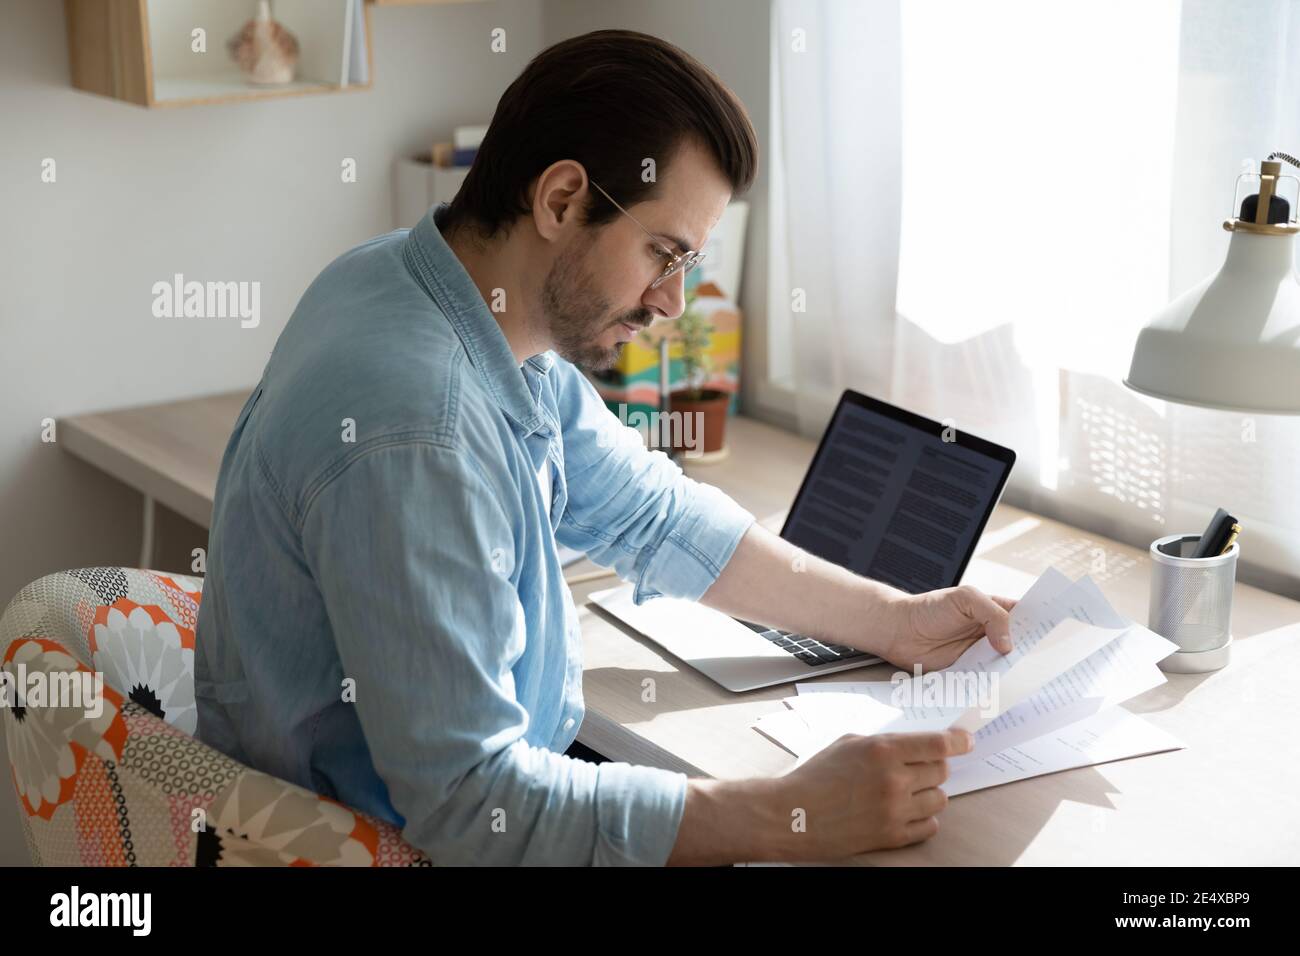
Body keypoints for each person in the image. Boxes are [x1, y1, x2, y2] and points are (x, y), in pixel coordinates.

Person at [194, 29, 1015, 866]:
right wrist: (792, 813)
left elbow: (650, 514)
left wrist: (898, 620)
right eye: (663, 253)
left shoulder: (428, 287)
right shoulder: (420, 431)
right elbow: (476, 808)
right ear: (559, 200)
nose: (673, 302)